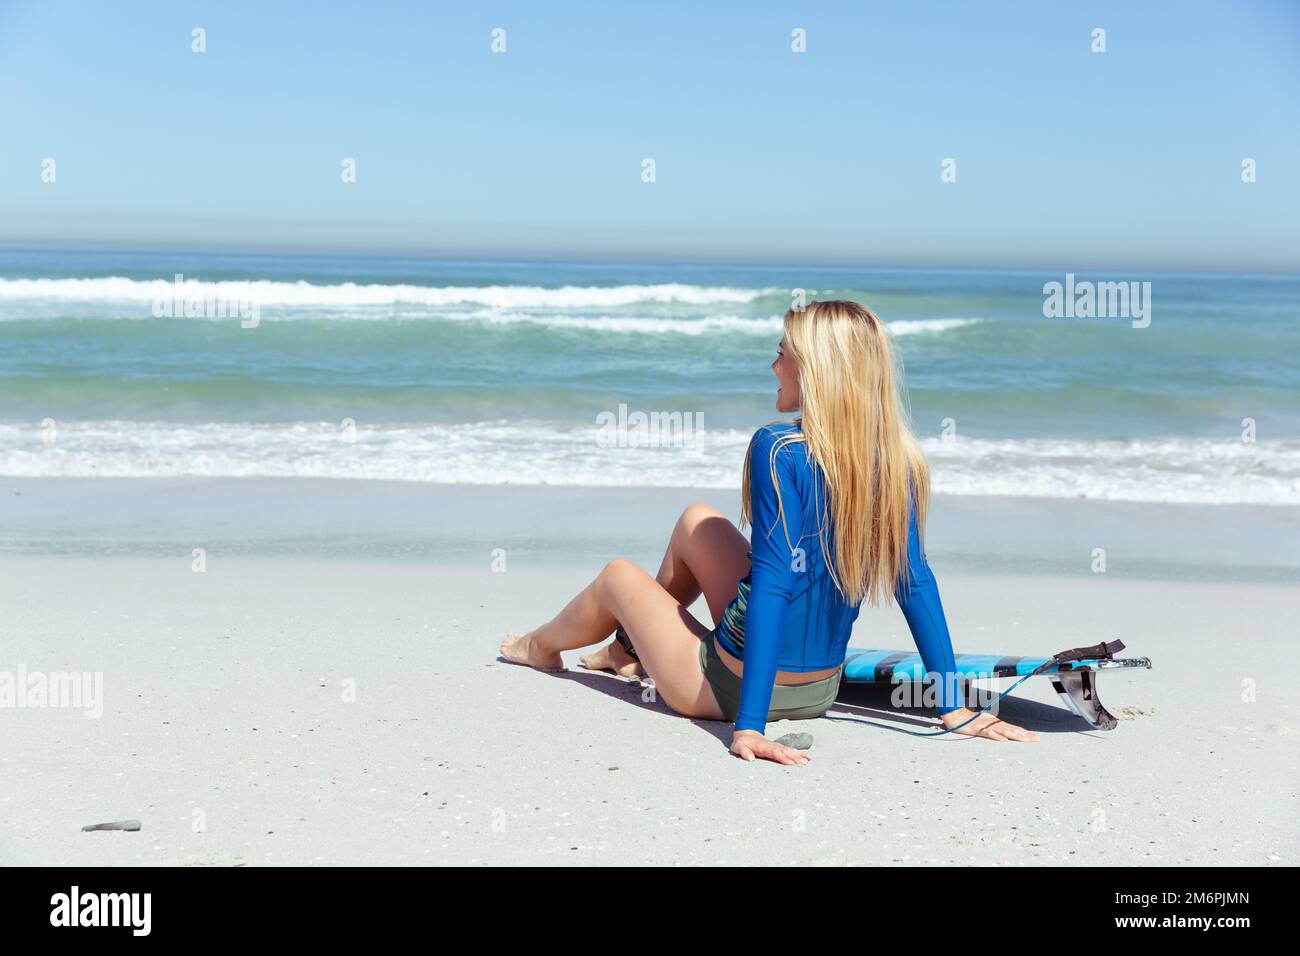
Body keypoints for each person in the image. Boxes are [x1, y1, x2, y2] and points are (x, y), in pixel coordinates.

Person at [500, 300, 1037, 765]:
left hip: (724, 687)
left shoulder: (779, 447)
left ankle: (538, 646)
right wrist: (954, 708)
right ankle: (624, 650)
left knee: (617, 576)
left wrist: (749, 725)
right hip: (818, 688)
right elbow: (914, 584)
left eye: (783, 354)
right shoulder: (899, 463)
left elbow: (776, 582)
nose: (773, 365)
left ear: (815, 372)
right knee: (697, 521)